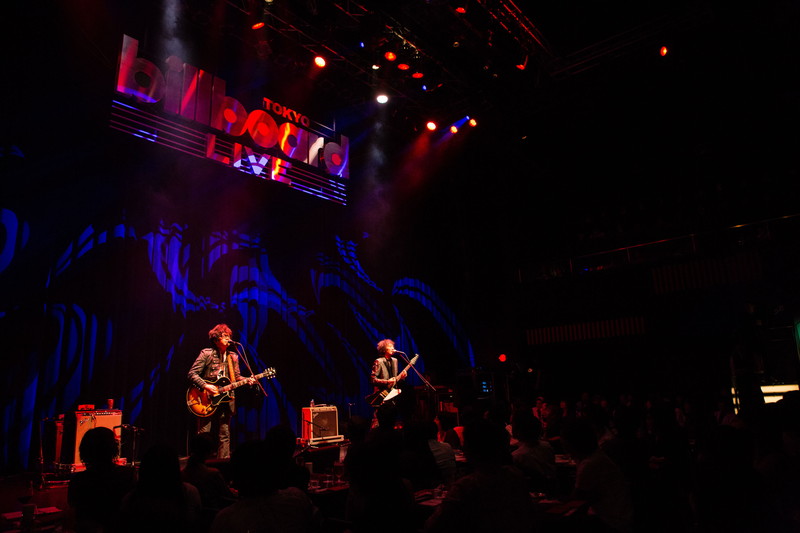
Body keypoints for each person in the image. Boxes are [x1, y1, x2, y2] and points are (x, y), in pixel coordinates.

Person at [188, 323, 254, 459]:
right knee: (204, 433)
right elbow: (192, 374)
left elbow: (236, 378)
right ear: (216, 339)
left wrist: (247, 379)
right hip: (206, 399)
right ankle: (200, 462)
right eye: (225, 336)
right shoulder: (207, 353)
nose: (228, 338)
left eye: (229, 336)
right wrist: (206, 386)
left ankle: (223, 463)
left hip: (225, 399)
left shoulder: (233, 356)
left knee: (225, 433)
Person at [66, 427, 136, 533]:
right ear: (114, 448)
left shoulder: (78, 480)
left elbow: (74, 513)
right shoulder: (127, 474)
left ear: (84, 450)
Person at [368, 338, 408, 427]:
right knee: (379, 418)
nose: (393, 348)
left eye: (393, 346)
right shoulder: (379, 361)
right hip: (382, 394)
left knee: (392, 418)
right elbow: (373, 379)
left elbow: (395, 379)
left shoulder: (395, 360)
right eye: (390, 346)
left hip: (392, 394)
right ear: (384, 350)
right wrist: (387, 381)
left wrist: (402, 377)